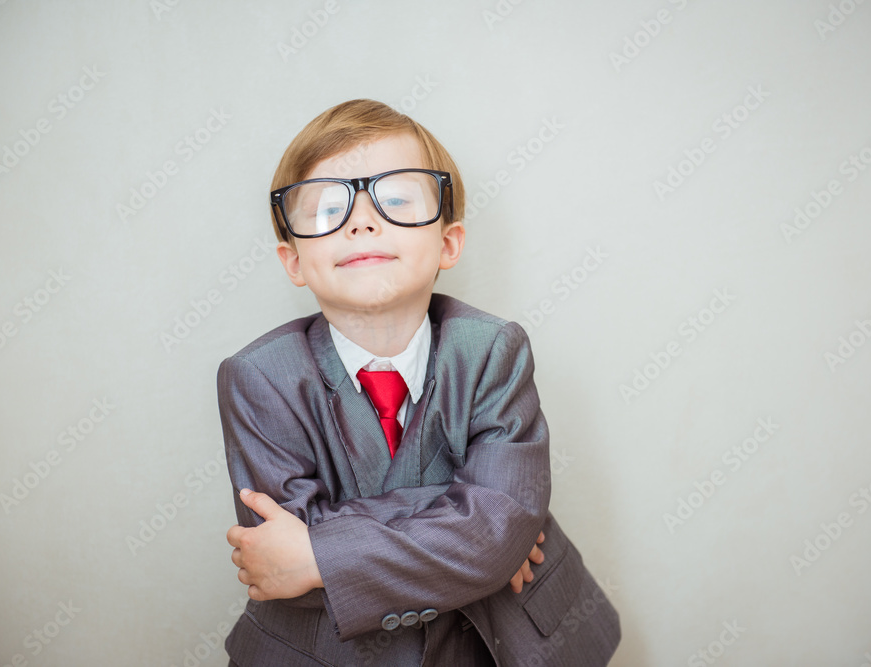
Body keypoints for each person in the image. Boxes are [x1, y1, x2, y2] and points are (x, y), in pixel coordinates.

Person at [218, 99, 620, 666]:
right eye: (329, 207)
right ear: (293, 261)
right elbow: (284, 547)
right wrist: (477, 523)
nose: (363, 220)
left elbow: (501, 522)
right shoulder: (258, 377)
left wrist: (324, 551)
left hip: (500, 640)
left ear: (448, 244)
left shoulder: (493, 350)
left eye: (398, 200)